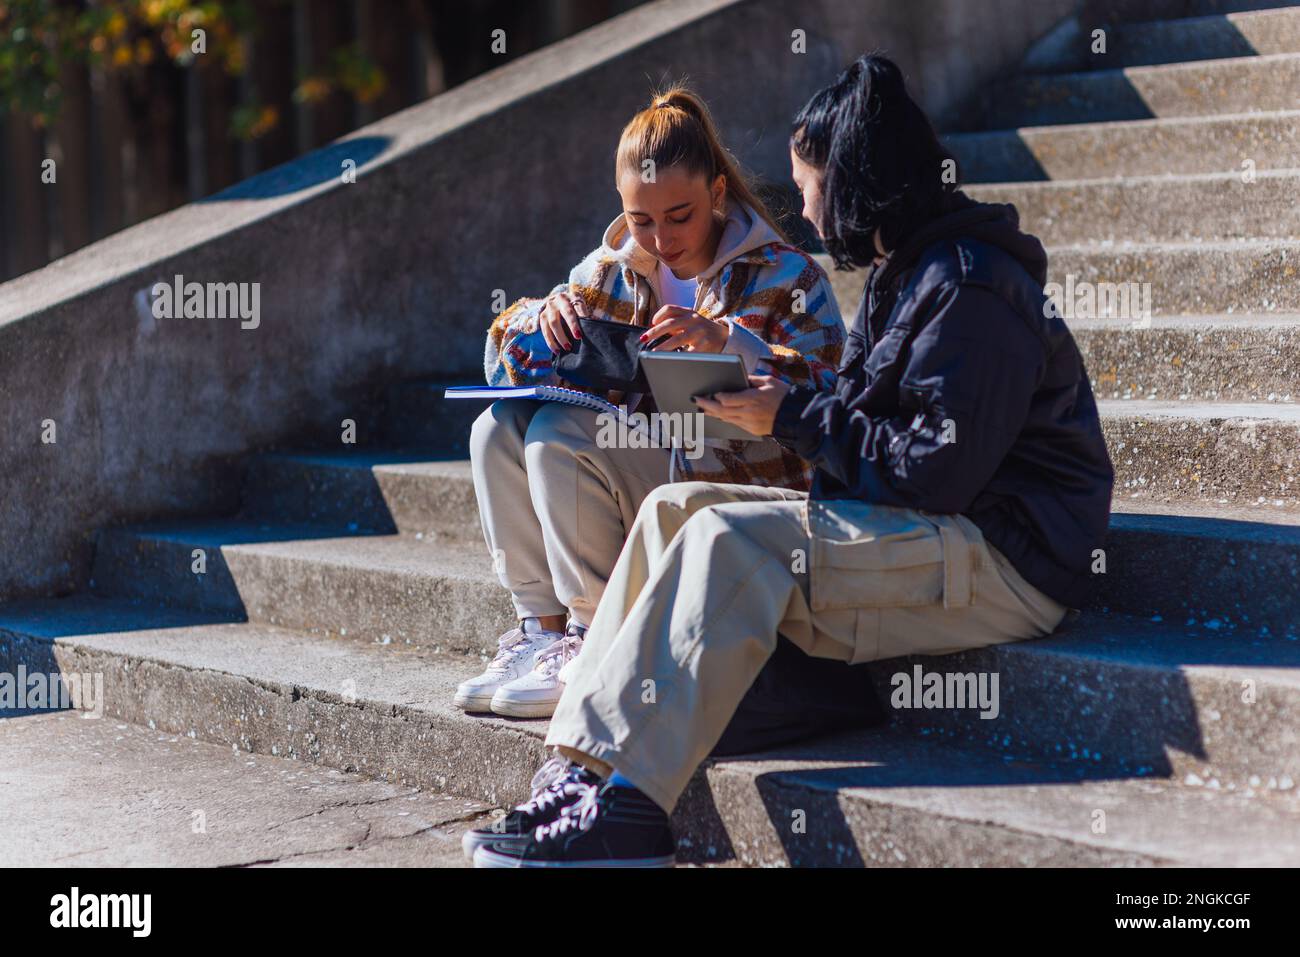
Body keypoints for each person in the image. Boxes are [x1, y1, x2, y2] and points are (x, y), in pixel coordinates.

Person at [469, 53, 1115, 867]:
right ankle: (576, 771)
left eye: (811, 184)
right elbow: (870, 432)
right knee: (681, 510)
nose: (802, 207)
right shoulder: (905, 272)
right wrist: (761, 377)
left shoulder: (972, 287)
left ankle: (629, 807)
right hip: (930, 526)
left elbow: (937, 475)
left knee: (725, 538)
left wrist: (788, 411)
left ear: (854, 182)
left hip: (1004, 560)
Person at [456, 86, 846, 721]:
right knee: (494, 427)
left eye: (680, 215)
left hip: (745, 488)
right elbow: (501, 359)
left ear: (719, 194)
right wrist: (533, 317)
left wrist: (734, 343)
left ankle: (593, 636)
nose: (661, 239)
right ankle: (541, 634)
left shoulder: (788, 275)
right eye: (641, 220)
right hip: (648, 478)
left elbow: (836, 393)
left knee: (558, 430)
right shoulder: (614, 269)